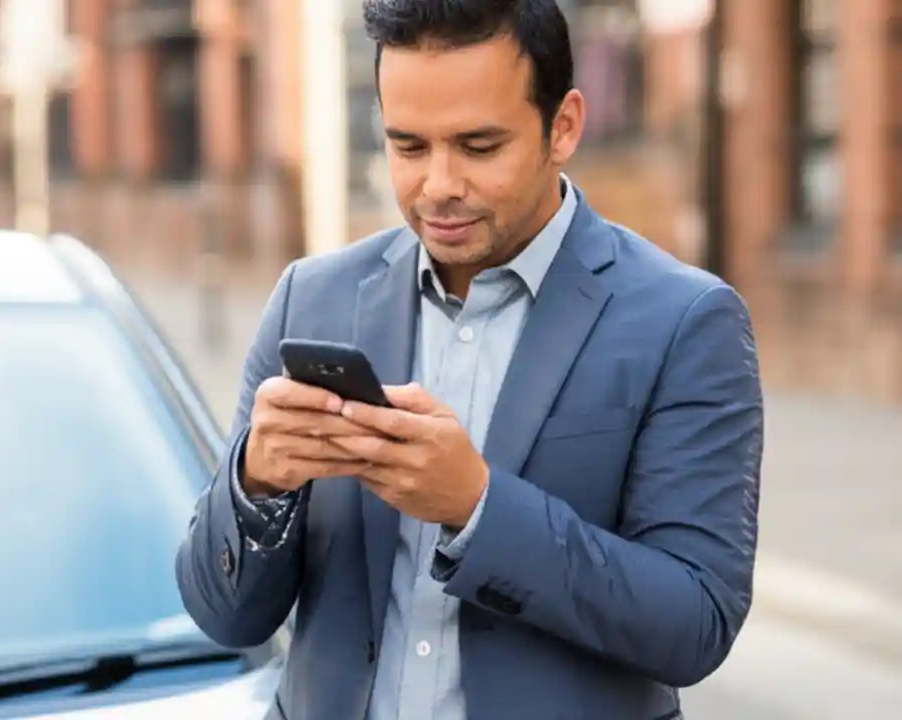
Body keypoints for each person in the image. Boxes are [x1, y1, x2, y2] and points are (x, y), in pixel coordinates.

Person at [176, 1, 763, 718]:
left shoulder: (684, 321)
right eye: (409, 146)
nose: (439, 186)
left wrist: (478, 508)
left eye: (479, 146)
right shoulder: (312, 299)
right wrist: (256, 482)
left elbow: (693, 625)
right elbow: (224, 616)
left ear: (564, 126)